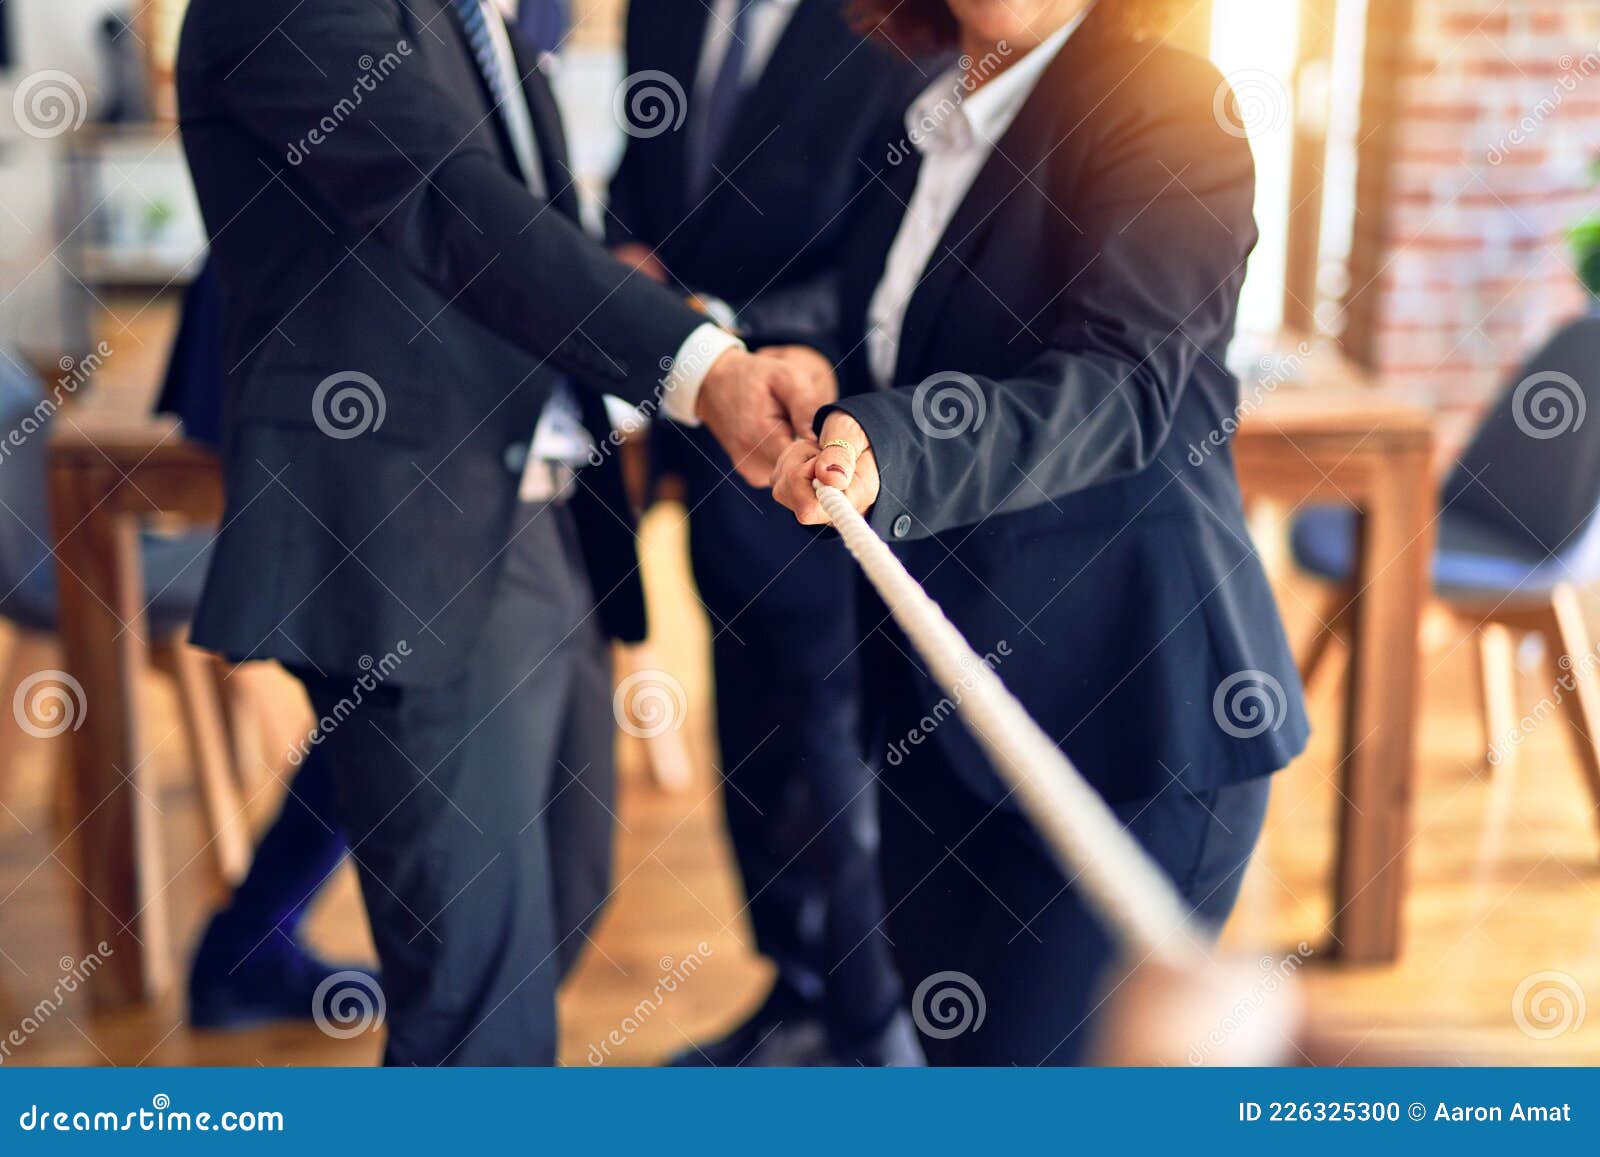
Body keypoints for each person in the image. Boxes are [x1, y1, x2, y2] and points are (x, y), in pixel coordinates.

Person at [176, 0, 832, 1065]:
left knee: (560, 908)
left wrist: (633, 285)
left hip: (547, 516)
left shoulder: (473, 16)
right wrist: (703, 367)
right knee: (475, 1008)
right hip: (405, 537)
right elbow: (446, 201)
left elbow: (520, 223)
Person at [772, 0, 1309, 1065]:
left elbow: (1122, 384)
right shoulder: (918, 115)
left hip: (1125, 714)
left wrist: (895, 448)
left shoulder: (1167, 105)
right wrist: (790, 363)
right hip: (942, 708)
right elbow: (883, 326)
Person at [606, 0, 920, 1066]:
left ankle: (869, 1030)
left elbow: (894, 262)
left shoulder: (898, 23)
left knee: (834, 749)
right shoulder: (663, 10)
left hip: (825, 442)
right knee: (747, 729)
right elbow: (641, 183)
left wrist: (719, 333)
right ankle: (791, 989)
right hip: (706, 453)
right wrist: (621, 263)